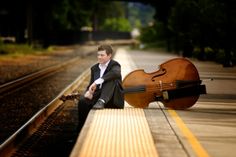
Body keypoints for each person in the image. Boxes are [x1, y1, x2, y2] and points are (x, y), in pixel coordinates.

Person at [77, 44, 124, 132]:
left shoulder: (115, 65)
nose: (99, 57)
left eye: (102, 55)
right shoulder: (94, 68)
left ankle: (102, 101)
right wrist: (88, 92)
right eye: (98, 55)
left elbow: (116, 73)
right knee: (82, 101)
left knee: (111, 78)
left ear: (109, 55)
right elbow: (91, 84)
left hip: (112, 99)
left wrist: (98, 81)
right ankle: (81, 129)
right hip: (97, 98)